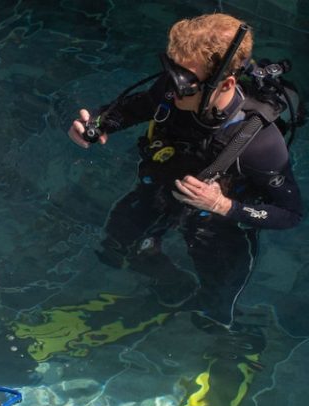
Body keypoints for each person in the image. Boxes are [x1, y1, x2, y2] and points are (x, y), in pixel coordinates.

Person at [68, 13, 302, 327]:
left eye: (186, 82)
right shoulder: (173, 88)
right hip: (164, 186)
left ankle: (219, 328)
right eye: (172, 72)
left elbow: (290, 214)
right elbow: (134, 108)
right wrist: (96, 123)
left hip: (217, 217)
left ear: (226, 84)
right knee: (116, 246)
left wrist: (223, 205)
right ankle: (172, 286)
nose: (174, 88)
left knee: (217, 296)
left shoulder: (260, 143)